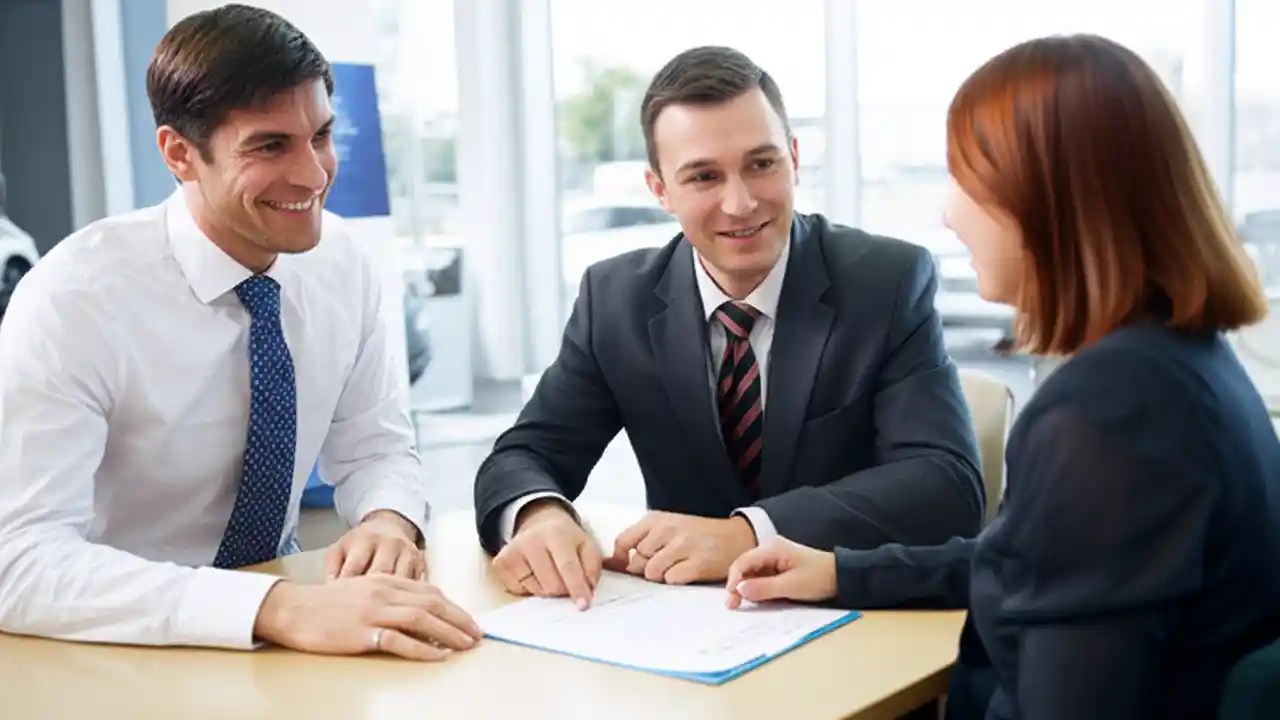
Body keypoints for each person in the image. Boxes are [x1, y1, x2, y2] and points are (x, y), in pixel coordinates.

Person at [724, 34, 1280, 719]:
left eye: (967, 181)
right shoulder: (1179, 361)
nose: (949, 213)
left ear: (1052, 200)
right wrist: (842, 572)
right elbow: (1034, 560)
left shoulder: (1110, 414)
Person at [0, 4, 481, 661]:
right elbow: (17, 564)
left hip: (283, 636)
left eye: (321, 135)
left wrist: (388, 518)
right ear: (180, 153)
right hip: (111, 644)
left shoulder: (343, 265)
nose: (315, 175)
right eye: (270, 145)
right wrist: (273, 608)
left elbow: (374, 446)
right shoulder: (74, 300)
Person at [475, 45, 984, 609]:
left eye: (761, 164)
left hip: (851, 617)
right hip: (688, 634)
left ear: (793, 157)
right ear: (660, 190)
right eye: (703, 177)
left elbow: (945, 484)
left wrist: (750, 531)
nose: (740, 203)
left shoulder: (886, 282)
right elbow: (524, 454)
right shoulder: (615, 299)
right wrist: (540, 514)